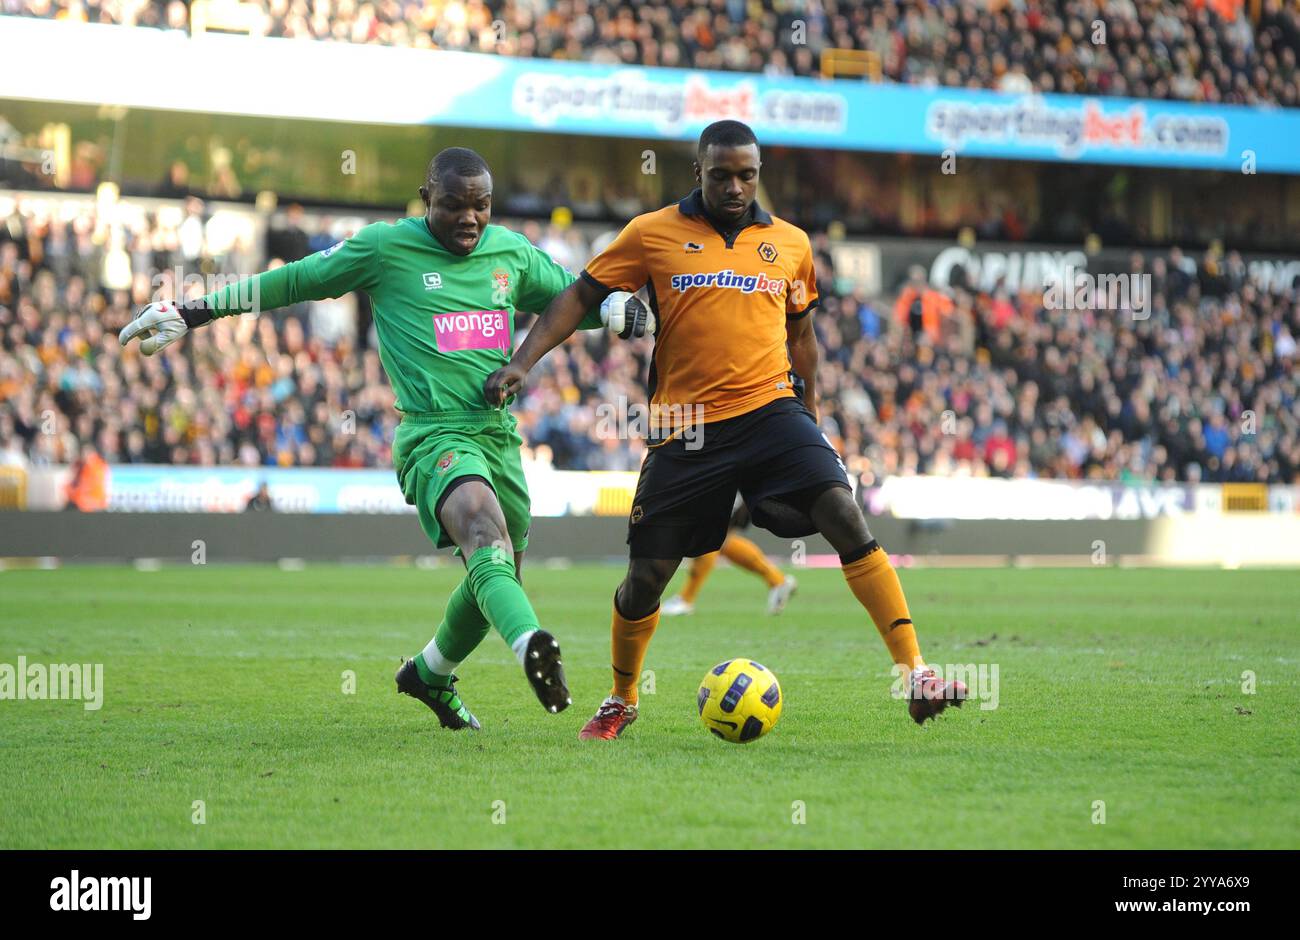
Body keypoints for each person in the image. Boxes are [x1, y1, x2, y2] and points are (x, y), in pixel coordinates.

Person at [119, 147, 651, 731]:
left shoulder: (511, 255)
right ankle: (531, 645)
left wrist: (618, 307)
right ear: (427, 200)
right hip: (430, 434)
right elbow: (294, 280)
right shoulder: (384, 248)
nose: (470, 218)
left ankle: (428, 674)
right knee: (482, 532)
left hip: (498, 437)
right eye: (454, 206)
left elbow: (571, 299)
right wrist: (194, 311)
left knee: (494, 577)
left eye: (482, 206)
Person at [487, 120, 966, 740]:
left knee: (844, 514)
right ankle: (622, 697)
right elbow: (580, 296)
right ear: (698, 173)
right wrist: (522, 363)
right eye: (721, 175)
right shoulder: (652, 233)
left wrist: (811, 413)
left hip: (772, 411)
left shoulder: (790, 243)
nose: (736, 187)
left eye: (747, 175)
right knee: (645, 580)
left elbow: (802, 335)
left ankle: (915, 674)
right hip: (685, 425)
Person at [661, 496, 797, 616]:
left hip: (730, 476)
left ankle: (686, 599)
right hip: (731, 476)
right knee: (720, 538)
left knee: (709, 534)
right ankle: (778, 581)